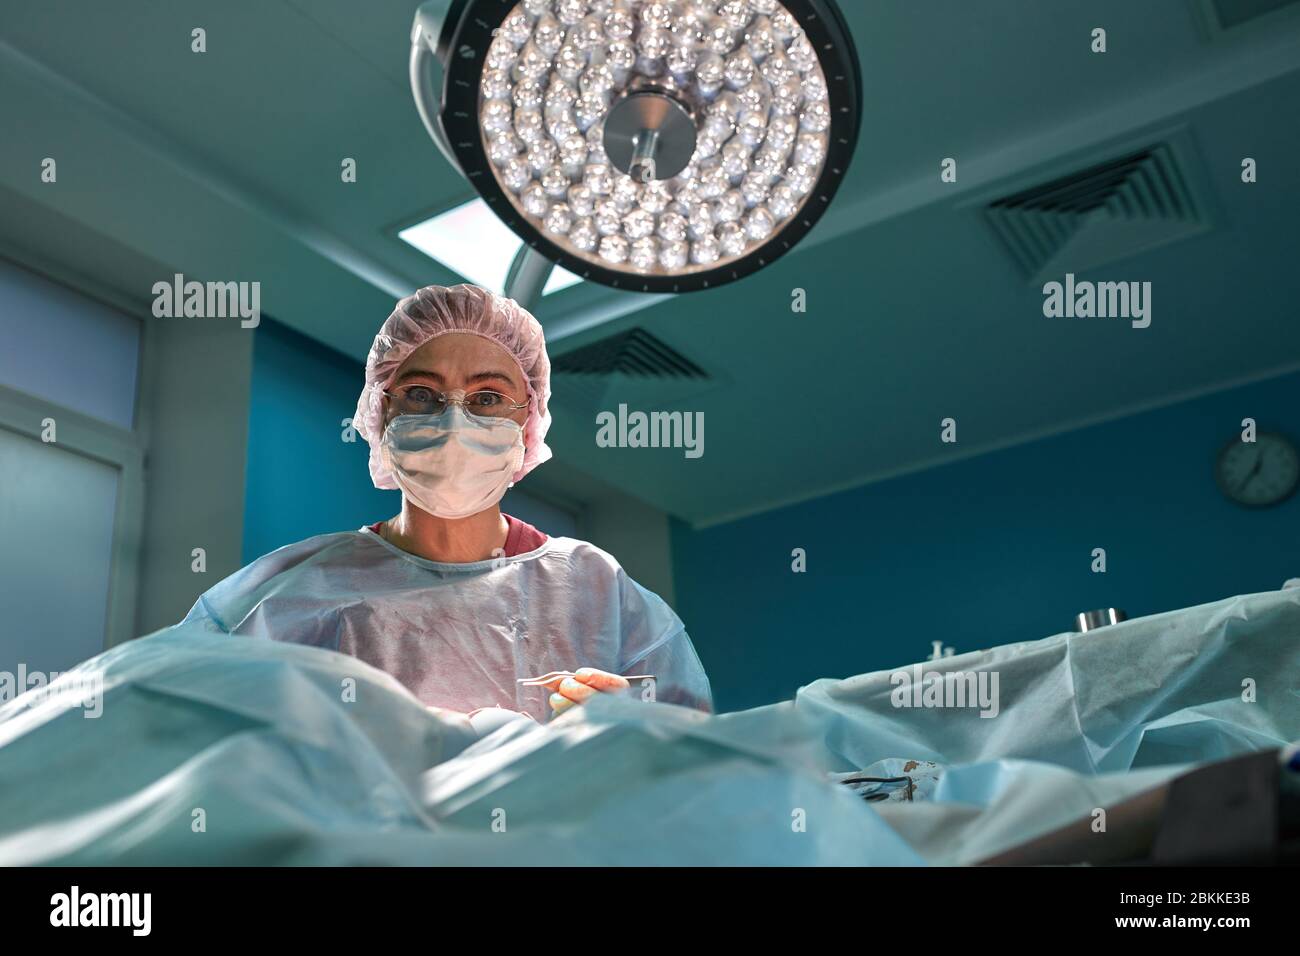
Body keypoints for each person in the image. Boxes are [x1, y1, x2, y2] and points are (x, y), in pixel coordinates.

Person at [179, 284, 712, 722]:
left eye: (487, 398)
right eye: (420, 394)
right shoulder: (286, 594)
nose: (454, 420)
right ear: (379, 414)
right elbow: (178, 727)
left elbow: (695, 773)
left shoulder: (597, 591)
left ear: (528, 425)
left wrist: (641, 735)